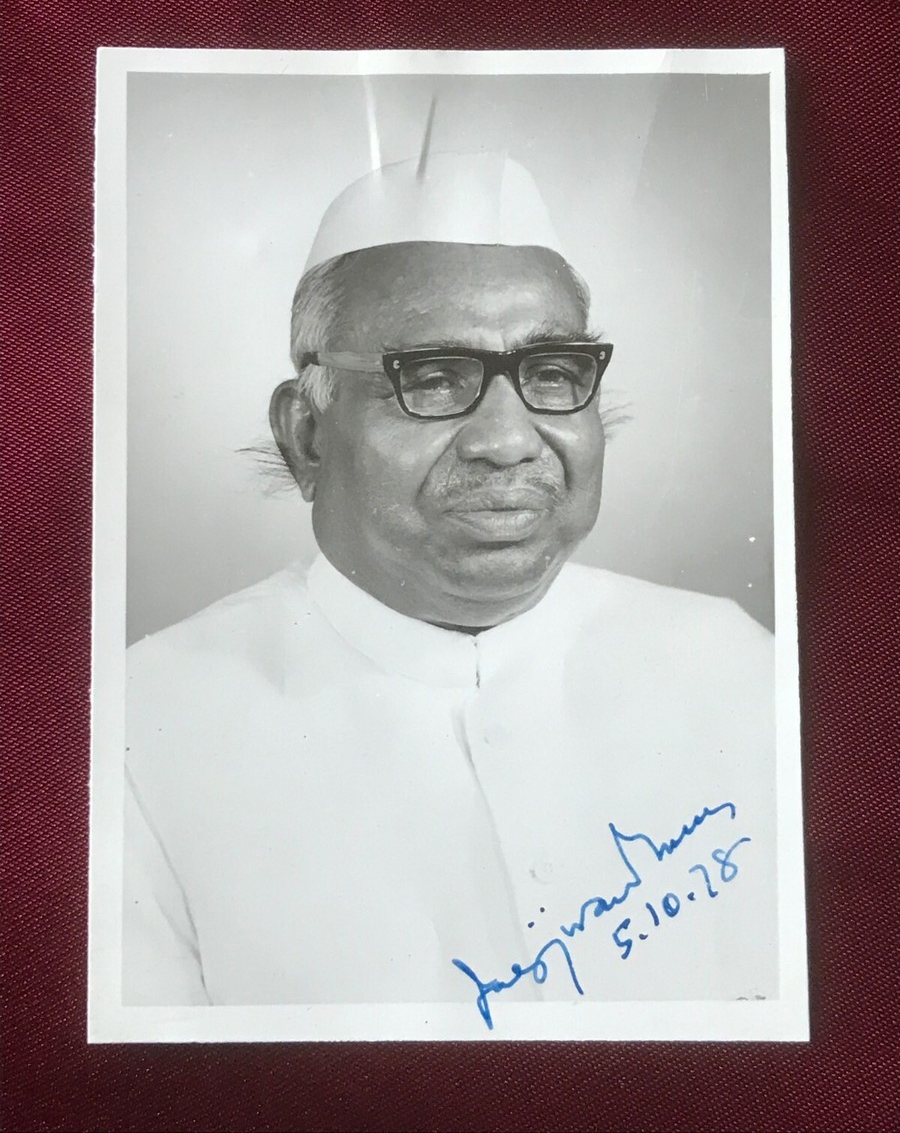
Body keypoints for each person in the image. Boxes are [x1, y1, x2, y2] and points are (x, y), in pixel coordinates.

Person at [123, 149, 777, 1021]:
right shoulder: (136, 731)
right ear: (307, 434)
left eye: (552, 375)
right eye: (432, 380)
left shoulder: (735, 664)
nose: (508, 441)